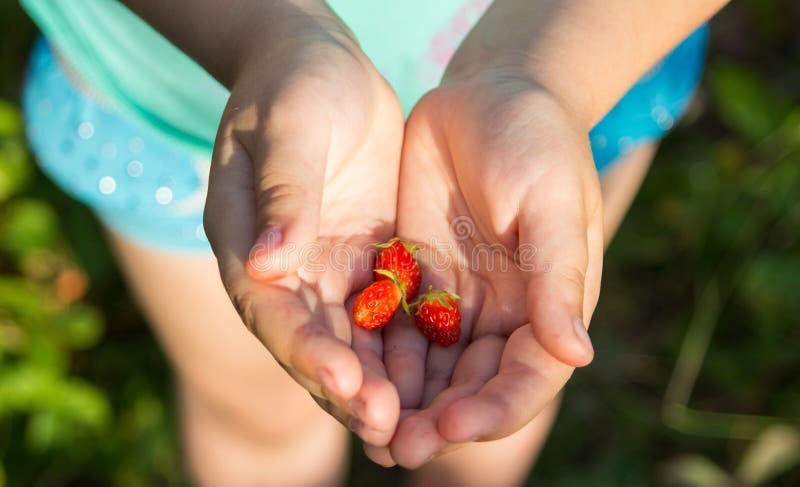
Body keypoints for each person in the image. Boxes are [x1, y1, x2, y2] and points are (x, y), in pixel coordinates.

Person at [19, 0, 729, 485]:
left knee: (496, 386)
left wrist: (543, 74)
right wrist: (265, 35)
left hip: (586, 48)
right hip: (185, 96)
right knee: (253, 405)